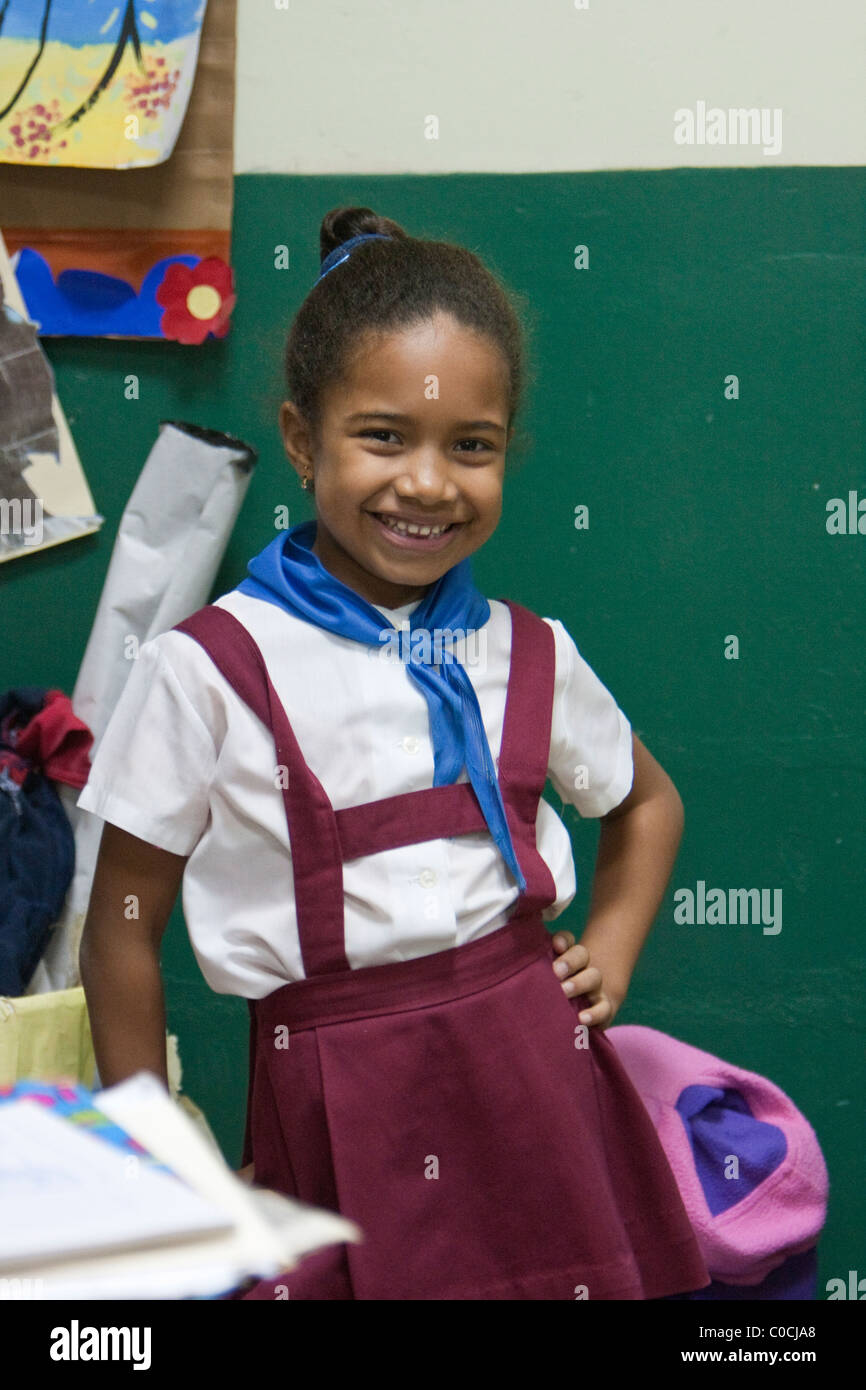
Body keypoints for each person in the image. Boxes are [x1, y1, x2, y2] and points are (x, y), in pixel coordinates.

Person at [78, 206, 710, 1301]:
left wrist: (608, 945)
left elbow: (646, 803)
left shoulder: (529, 652)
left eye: (470, 447)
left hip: (538, 1094)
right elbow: (122, 927)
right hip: (333, 1107)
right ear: (297, 437)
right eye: (383, 435)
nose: (426, 483)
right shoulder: (207, 668)